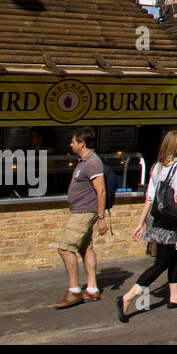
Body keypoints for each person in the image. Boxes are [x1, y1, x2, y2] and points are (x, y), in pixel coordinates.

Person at [117, 129, 177, 321]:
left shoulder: (156, 166)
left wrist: (140, 224)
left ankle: (175, 296)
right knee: (162, 262)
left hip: (156, 218)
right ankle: (127, 297)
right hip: (168, 220)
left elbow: (149, 197)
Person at [54, 127, 109, 309]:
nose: (70, 144)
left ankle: (74, 291)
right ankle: (92, 288)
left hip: (84, 213)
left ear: (82, 144)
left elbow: (101, 191)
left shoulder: (92, 162)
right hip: (80, 210)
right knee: (86, 247)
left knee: (65, 248)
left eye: (73, 142)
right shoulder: (84, 161)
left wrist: (101, 217)